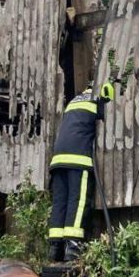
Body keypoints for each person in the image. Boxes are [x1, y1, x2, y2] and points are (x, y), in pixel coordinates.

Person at [48, 82, 115, 262]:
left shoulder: (75, 101)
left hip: (58, 159)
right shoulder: (97, 101)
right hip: (78, 159)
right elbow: (110, 120)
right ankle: (73, 247)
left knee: (60, 201)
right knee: (78, 201)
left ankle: (55, 249)